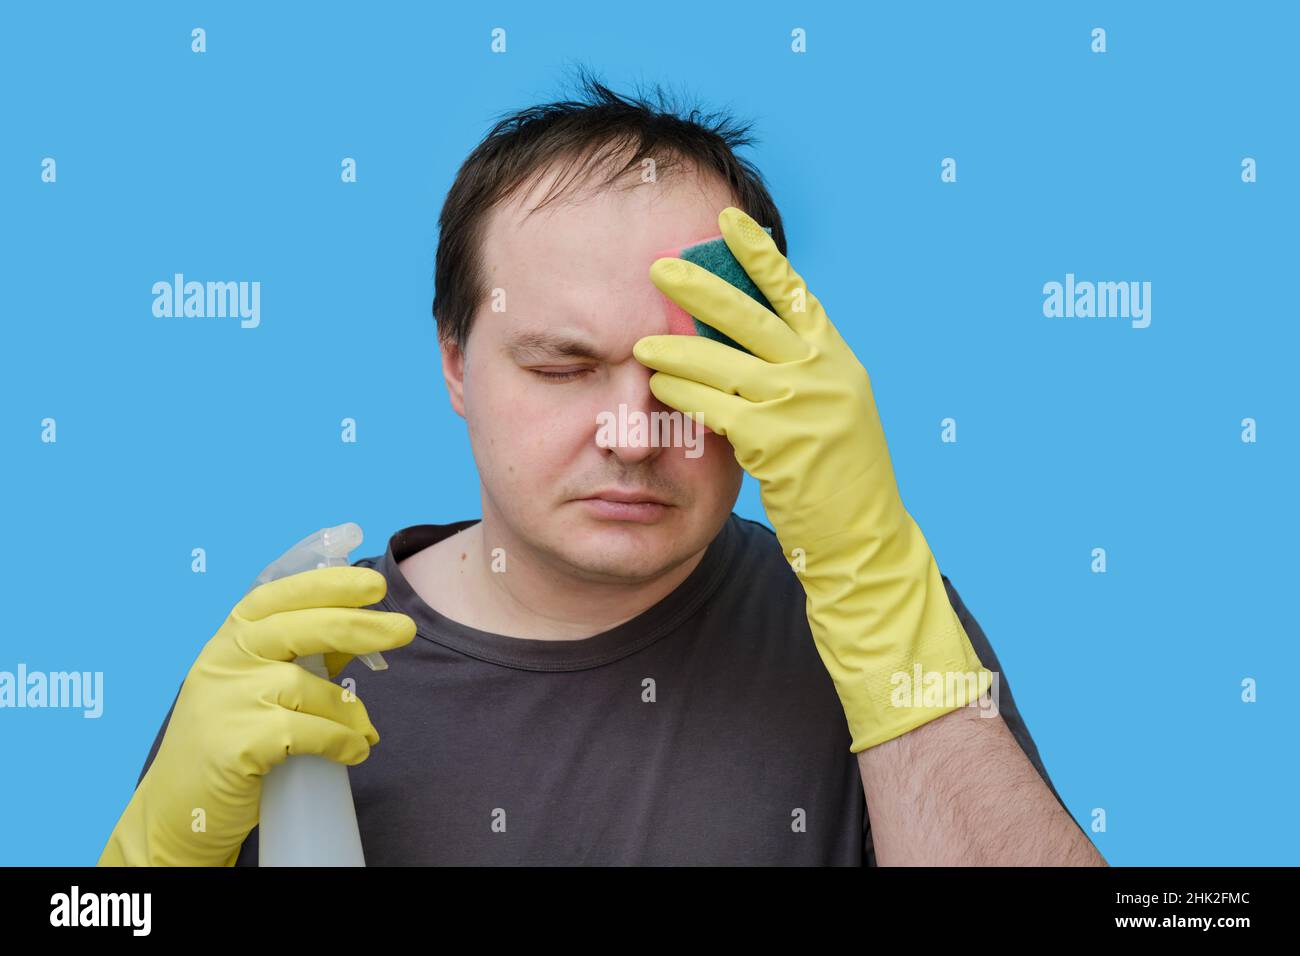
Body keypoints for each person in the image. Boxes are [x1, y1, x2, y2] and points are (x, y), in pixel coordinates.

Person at [99, 71, 1104, 866]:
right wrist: (152, 862)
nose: (634, 433)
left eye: (687, 373)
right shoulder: (299, 656)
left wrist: (881, 599)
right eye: (561, 366)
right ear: (455, 361)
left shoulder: (874, 606)